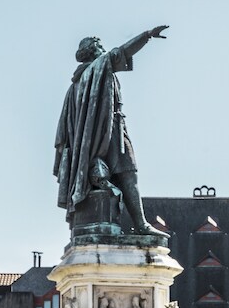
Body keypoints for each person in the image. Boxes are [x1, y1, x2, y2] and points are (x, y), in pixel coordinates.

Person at [53, 26, 170, 237]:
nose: (102, 47)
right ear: (91, 51)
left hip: (93, 141)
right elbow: (122, 52)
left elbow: (66, 132)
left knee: (124, 177)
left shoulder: (75, 84)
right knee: (129, 174)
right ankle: (141, 224)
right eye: (98, 45)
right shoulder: (99, 67)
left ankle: (136, 224)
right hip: (111, 132)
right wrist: (147, 36)